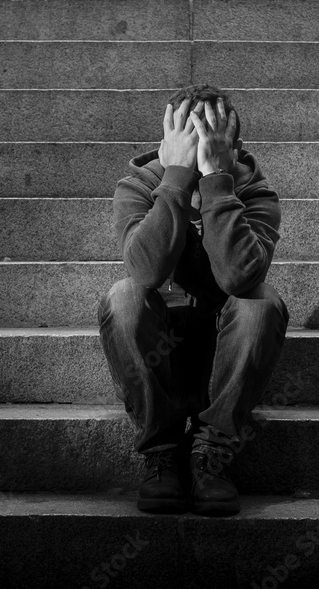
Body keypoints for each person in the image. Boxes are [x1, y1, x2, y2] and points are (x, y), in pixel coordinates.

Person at [97, 84, 289, 516]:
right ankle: (163, 453)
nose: (199, 148)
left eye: (211, 140)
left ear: (232, 146)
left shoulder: (255, 193)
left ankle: (212, 452)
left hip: (220, 361)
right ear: (167, 143)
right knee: (124, 296)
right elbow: (146, 272)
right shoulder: (138, 187)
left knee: (262, 301)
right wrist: (177, 179)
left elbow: (239, 277)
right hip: (160, 356)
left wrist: (218, 182)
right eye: (187, 137)